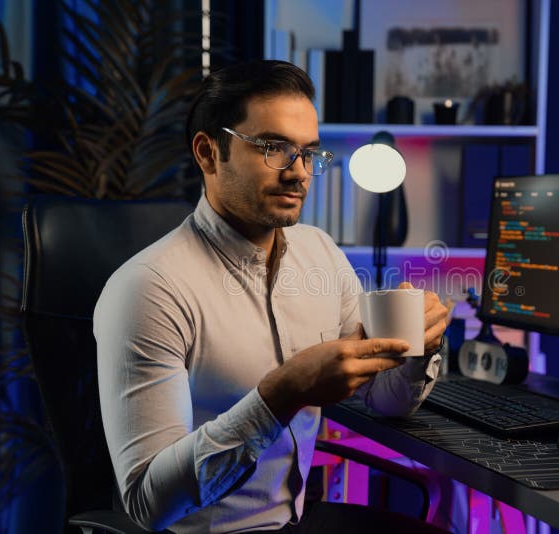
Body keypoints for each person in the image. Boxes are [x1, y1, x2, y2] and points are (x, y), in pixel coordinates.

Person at [94, 59, 449, 533]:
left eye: (308, 154)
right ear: (207, 152)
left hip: (299, 520)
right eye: (273, 148)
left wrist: (416, 349)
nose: (298, 173)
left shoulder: (321, 254)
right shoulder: (148, 289)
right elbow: (148, 502)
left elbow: (384, 402)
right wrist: (280, 395)